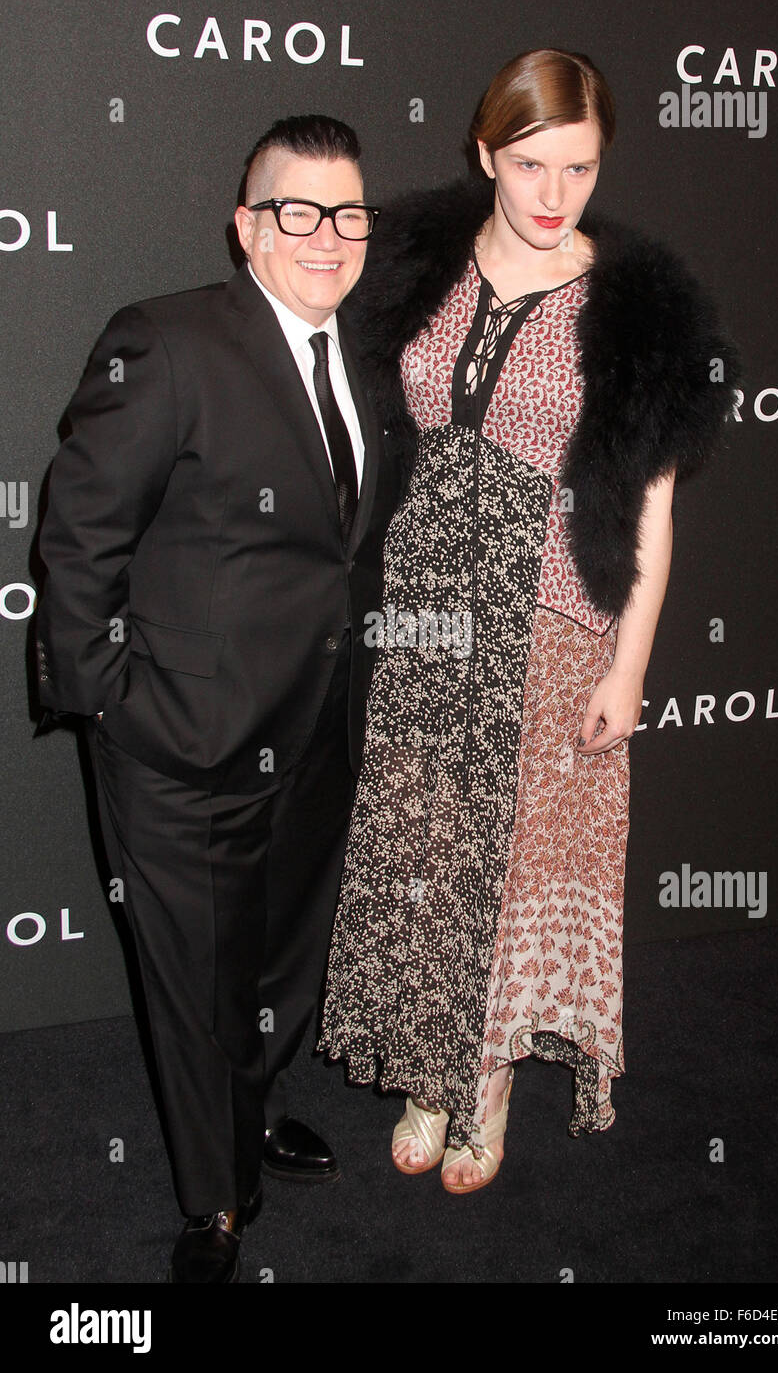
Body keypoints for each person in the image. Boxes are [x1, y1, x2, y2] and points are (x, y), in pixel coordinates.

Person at [319, 50, 740, 1192]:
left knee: (509, 863)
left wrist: (630, 665)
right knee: (426, 846)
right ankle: (425, 1060)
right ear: (484, 153)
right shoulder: (411, 263)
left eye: (580, 166)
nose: (553, 192)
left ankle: (486, 1078)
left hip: (554, 613)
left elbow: (647, 510)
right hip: (420, 607)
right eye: (529, 163)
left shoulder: (634, 308)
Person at [35, 114, 395, 1278]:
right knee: (195, 985)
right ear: (248, 227)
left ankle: (250, 1112)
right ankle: (216, 1194)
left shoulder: (366, 359)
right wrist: (110, 706)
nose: (326, 236)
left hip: (314, 736)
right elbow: (79, 535)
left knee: (282, 963)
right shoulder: (170, 342)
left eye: (347, 213)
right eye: (298, 211)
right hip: (180, 740)